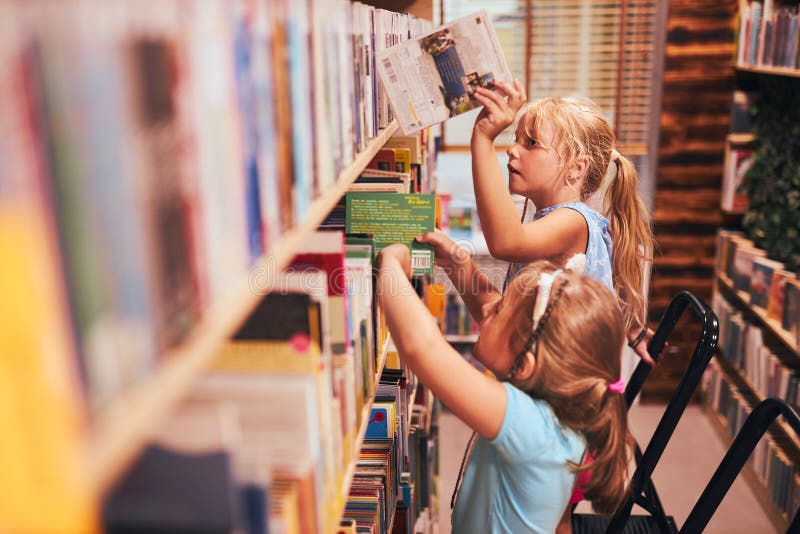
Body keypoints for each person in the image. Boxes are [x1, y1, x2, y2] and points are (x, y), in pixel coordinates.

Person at [377, 246, 634, 534]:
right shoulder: (559, 414)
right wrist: (456, 262)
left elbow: (421, 347)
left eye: (498, 311)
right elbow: (498, 318)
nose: (487, 308)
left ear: (524, 365)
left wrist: (390, 266)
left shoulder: (531, 428)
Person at [421, 80, 655, 365]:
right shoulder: (553, 224)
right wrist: (457, 262)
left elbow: (505, 242)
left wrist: (482, 138)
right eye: (516, 139)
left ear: (576, 168)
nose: (512, 150)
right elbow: (499, 316)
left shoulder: (573, 221)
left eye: (531, 143)